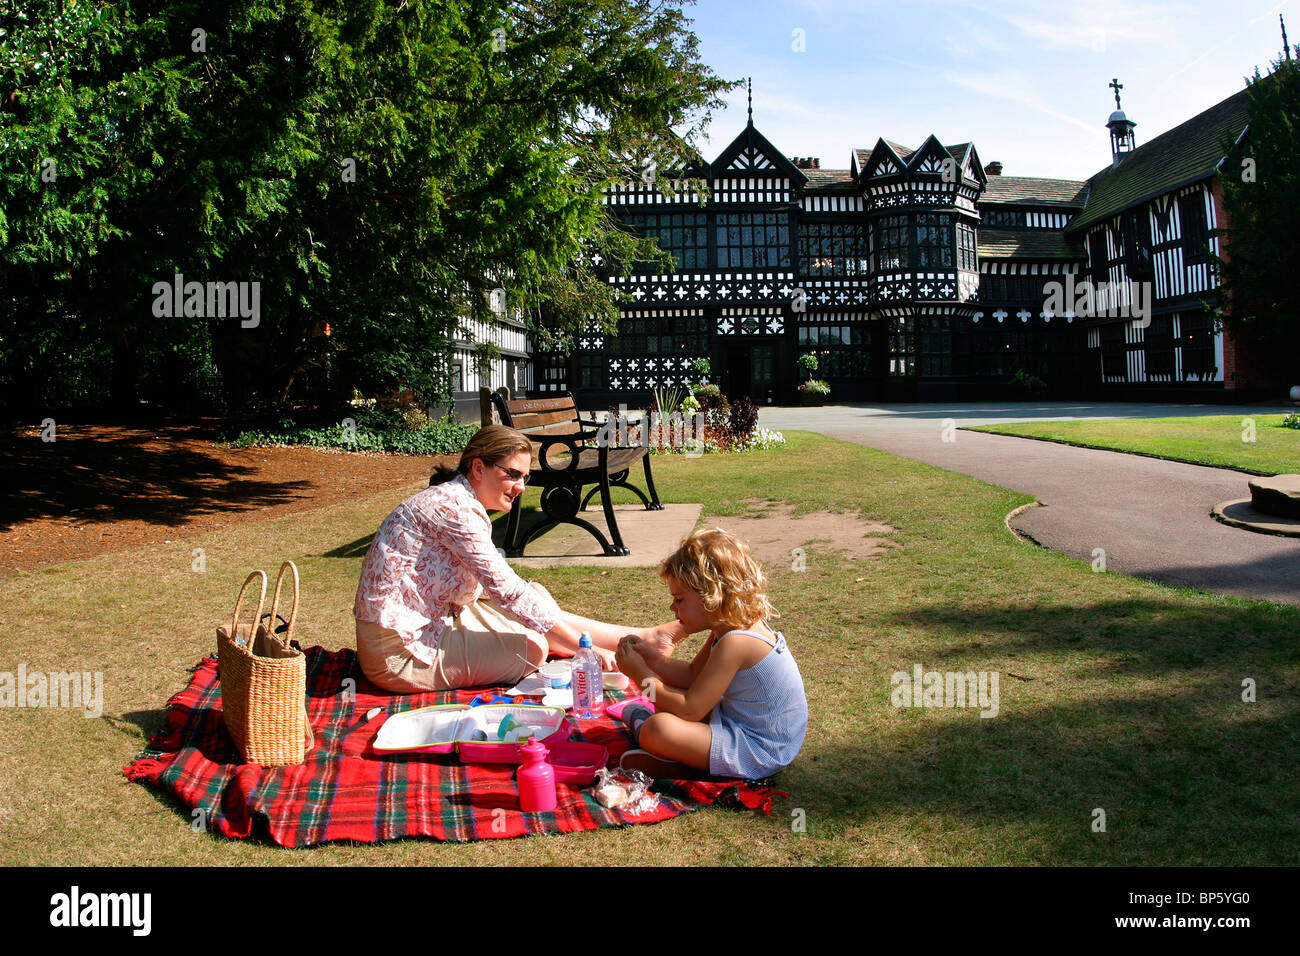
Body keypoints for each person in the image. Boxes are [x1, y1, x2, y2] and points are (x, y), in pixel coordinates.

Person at [354, 424, 684, 693]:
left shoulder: (458, 501)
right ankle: (630, 642)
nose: (521, 486)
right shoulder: (452, 510)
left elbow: (502, 592)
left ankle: (639, 640)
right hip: (399, 653)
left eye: (525, 477)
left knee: (535, 600)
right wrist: (583, 651)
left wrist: (563, 634)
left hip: (429, 623)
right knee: (533, 647)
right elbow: (506, 590)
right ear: (479, 468)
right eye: (513, 474)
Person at [614, 528, 808, 781]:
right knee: (666, 701)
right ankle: (674, 755)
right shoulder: (729, 627)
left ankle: (679, 763)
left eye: (679, 599)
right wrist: (653, 658)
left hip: (759, 751)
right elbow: (692, 676)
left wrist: (641, 675)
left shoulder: (737, 642)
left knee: (658, 727)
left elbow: (691, 710)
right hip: (737, 725)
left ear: (712, 596)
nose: (673, 607)